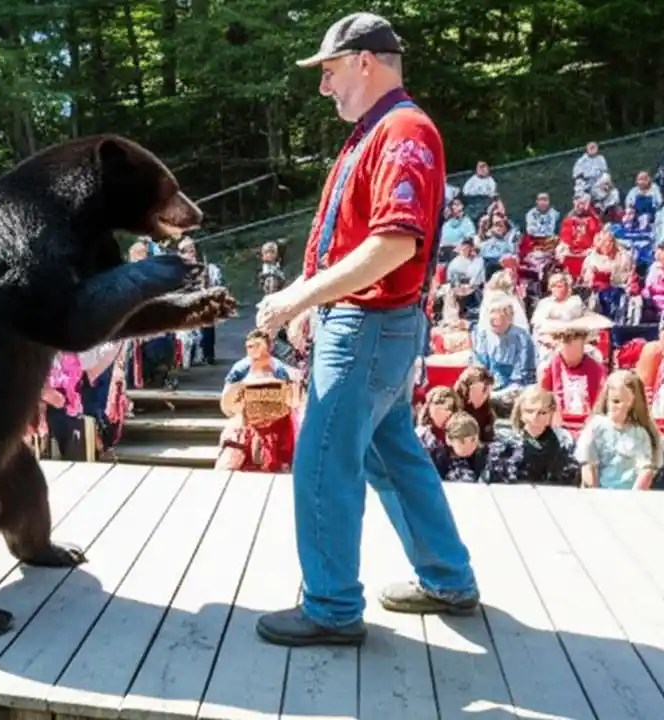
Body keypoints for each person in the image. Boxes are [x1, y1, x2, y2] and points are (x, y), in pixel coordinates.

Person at [253, 12, 478, 648]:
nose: (324, 87)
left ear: (364, 61)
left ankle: (330, 606)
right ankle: (448, 577)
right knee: (392, 456)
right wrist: (312, 308)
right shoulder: (383, 129)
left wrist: (299, 297)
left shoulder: (402, 130)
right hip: (374, 326)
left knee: (323, 464)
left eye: (328, 72)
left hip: (368, 327)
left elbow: (394, 245)